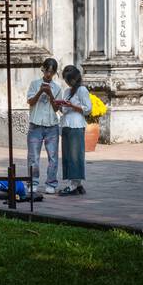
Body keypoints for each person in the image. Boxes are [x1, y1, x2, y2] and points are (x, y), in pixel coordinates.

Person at [26, 58, 63, 197]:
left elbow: (56, 109)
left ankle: (51, 183)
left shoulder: (57, 88)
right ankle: (32, 183)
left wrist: (50, 94)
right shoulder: (34, 84)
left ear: (54, 73)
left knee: (53, 157)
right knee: (33, 157)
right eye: (47, 71)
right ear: (43, 69)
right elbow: (30, 102)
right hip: (35, 125)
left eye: (52, 72)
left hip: (52, 126)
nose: (49, 75)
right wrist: (40, 91)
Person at [55, 64, 92, 196]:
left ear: (74, 78)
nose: (67, 82)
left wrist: (73, 106)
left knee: (76, 155)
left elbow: (88, 109)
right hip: (66, 124)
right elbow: (64, 110)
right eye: (65, 79)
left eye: (68, 79)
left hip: (76, 124)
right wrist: (60, 105)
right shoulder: (67, 92)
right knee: (68, 155)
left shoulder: (82, 90)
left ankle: (73, 185)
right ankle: (77, 184)